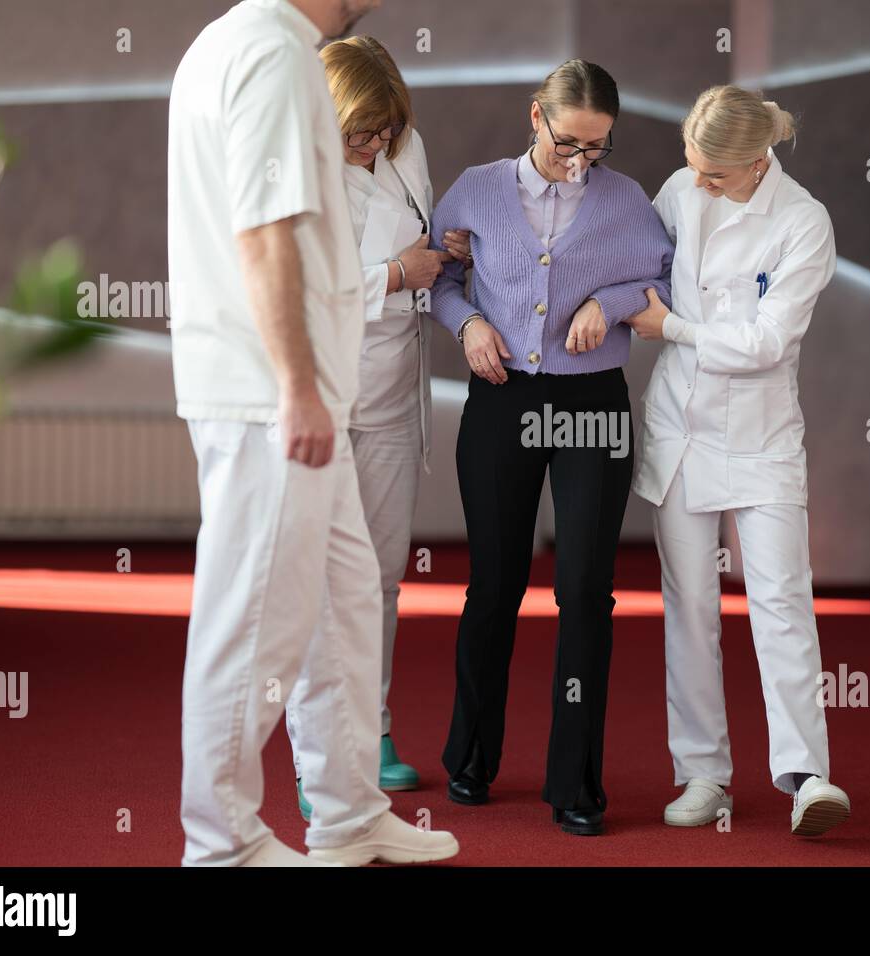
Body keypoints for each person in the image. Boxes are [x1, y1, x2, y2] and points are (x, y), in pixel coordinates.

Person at [167, 0, 456, 866]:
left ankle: (347, 813)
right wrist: (297, 384)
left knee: (345, 608)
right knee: (253, 615)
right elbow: (265, 234)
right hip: (269, 393)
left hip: (297, 385)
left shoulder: (264, 43)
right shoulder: (271, 50)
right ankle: (220, 842)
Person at [431, 59, 673, 835]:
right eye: (570, 144)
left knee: (584, 594)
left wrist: (611, 301)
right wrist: (466, 324)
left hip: (591, 405)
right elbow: (439, 273)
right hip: (502, 399)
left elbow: (662, 276)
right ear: (536, 117)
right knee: (494, 586)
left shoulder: (628, 199)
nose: (581, 163)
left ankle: (576, 783)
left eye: (597, 149)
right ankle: (470, 758)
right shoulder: (475, 188)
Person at [627, 85, 850, 837]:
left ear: (758, 161)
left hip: (761, 439)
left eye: (714, 174)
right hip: (681, 429)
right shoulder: (679, 188)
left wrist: (675, 328)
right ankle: (703, 773)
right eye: (692, 166)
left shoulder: (803, 222)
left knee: (782, 601)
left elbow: (766, 343)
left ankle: (806, 775)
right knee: (689, 605)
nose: (698, 183)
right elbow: (636, 261)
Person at [285, 34, 446, 821]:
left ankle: (372, 727)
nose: (374, 145)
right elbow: (303, 287)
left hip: (388, 393)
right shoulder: (298, 169)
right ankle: (318, 754)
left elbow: (420, 239)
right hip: (325, 392)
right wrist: (396, 274)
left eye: (385, 130)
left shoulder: (405, 151)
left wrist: (445, 257)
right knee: (318, 577)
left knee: (380, 577)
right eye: (360, 133)